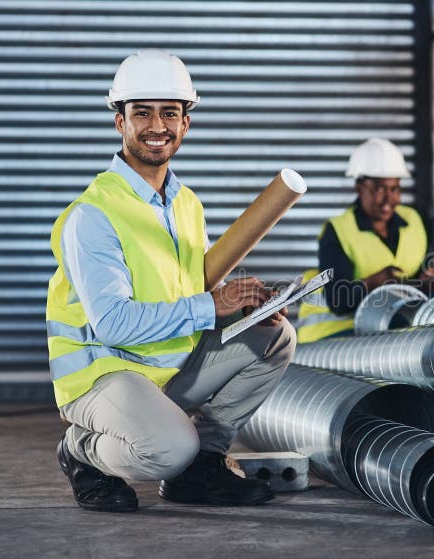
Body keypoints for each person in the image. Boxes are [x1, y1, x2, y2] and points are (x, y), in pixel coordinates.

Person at [46, 49, 296, 512]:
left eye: (169, 113)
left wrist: (243, 309)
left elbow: (184, 288)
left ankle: (203, 465)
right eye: (141, 113)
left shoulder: (186, 205)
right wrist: (211, 306)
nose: (156, 126)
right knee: (167, 450)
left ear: (186, 124)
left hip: (165, 367)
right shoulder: (94, 214)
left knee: (275, 335)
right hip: (103, 372)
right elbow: (115, 326)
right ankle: (81, 450)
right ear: (120, 122)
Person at [296, 138, 434, 343]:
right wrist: (372, 283)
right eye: (379, 189)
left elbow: (413, 279)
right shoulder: (339, 230)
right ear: (360, 187)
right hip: (339, 334)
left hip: (389, 324)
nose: (388, 200)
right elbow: (338, 301)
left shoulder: (413, 221)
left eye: (395, 189)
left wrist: (424, 281)